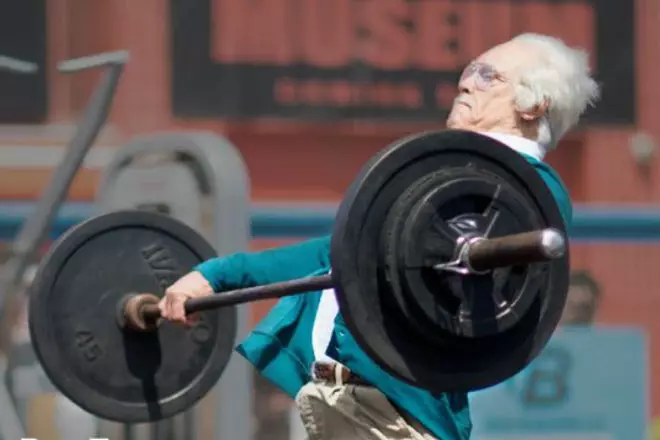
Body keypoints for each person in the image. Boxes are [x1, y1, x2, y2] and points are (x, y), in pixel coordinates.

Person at [158, 33, 600, 439]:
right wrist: (219, 275)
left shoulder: (530, 193)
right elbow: (340, 254)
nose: (466, 84)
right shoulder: (448, 176)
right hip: (338, 402)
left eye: (488, 76)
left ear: (533, 105)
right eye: (467, 72)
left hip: (394, 419)